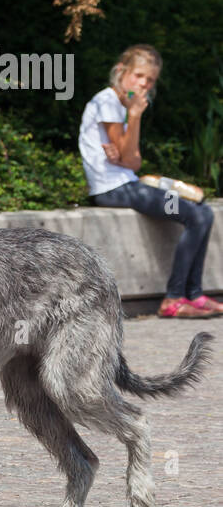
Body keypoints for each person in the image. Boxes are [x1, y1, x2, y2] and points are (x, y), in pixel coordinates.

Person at [79, 44, 221, 318]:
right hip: (114, 189)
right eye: (139, 76)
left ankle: (193, 294)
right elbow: (130, 158)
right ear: (121, 71)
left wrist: (126, 140)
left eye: (150, 80)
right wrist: (133, 117)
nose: (143, 84)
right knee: (195, 215)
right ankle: (174, 298)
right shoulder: (108, 100)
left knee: (203, 212)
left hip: (127, 184)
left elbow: (132, 161)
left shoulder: (122, 105)